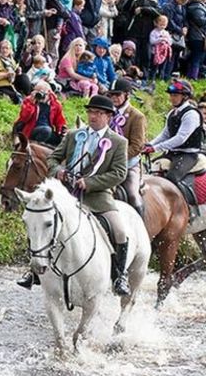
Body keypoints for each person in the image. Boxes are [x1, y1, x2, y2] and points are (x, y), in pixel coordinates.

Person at [32, 95, 131, 296]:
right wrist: (58, 170)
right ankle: (33, 271)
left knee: (120, 231)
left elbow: (119, 173)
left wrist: (90, 183)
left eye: (99, 113)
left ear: (109, 117)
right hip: (67, 194)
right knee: (39, 219)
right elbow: (53, 158)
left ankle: (120, 276)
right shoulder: (74, 135)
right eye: (91, 112)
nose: (93, 116)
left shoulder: (118, 142)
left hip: (98, 196)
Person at [144, 79, 203, 186]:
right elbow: (165, 134)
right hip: (172, 153)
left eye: (175, 95)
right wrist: (150, 144)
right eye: (171, 95)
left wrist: (156, 148)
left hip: (188, 155)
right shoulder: (172, 113)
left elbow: (180, 138)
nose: (172, 98)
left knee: (171, 179)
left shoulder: (191, 114)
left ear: (185, 97)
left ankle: (184, 202)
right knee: (149, 171)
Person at [108, 78, 146, 217]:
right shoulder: (106, 113)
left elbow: (137, 146)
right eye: (111, 95)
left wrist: (117, 158)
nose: (114, 98)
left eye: (117, 95)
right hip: (104, 161)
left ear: (127, 95)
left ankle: (141, 227)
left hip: (128, 164)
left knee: (132, 195)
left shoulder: (137, 117)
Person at [13, 82, 66, 146]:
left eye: (41, 92)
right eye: (36, 92)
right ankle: (33, 146)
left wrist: (61, 131)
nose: (39, 95)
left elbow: (60, 121)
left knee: (62, 141)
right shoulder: (29, 100)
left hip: (47, 130)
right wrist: (32, 104)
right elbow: (24, 118)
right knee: (46, 130)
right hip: (31, 129)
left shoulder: (55, 104)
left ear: (48, 92)